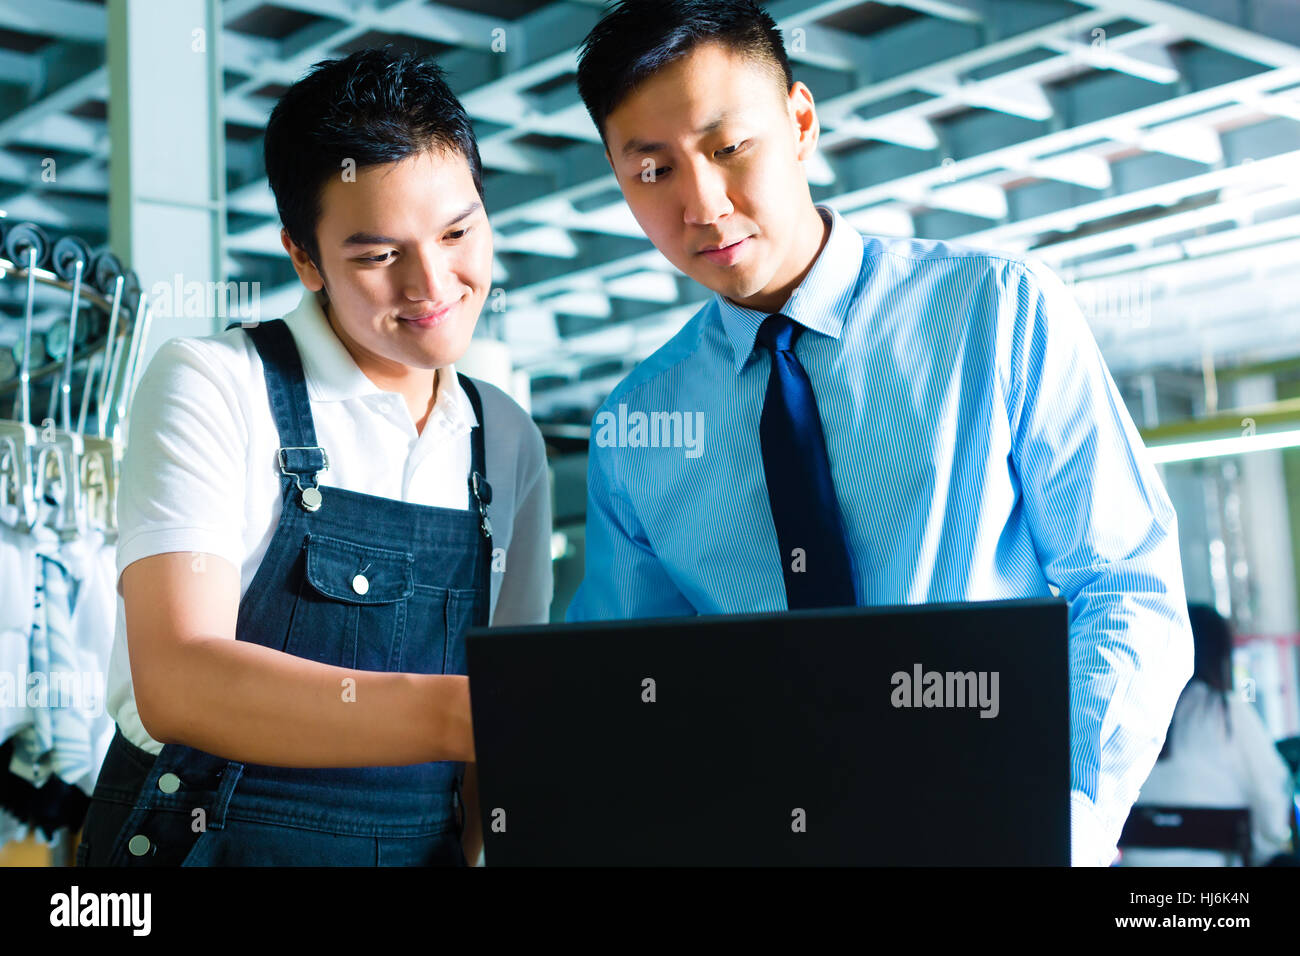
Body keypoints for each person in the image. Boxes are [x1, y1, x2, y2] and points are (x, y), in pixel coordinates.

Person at [564, 0, 1192, 867]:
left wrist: (1056, 825)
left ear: (799, 121)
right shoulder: (637, 429)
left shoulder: (996, 312)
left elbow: (1129, 590)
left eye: (726, 147)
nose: (701, 204)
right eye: (651, 170)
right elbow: (635, 688)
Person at [76, 49, 552, 867]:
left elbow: (494, 762)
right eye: (377, 257)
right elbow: (178, 680)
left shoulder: (507, 440)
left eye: (458, 231)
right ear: (305, 258)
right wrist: (456, 715)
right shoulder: (215, 384)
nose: (432, 283)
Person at [1120, 604, 1295, 867]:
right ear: (1221, 654)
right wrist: (1266, 847)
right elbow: (1273, 805)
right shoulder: (1226, 713)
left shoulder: (1134, 710)